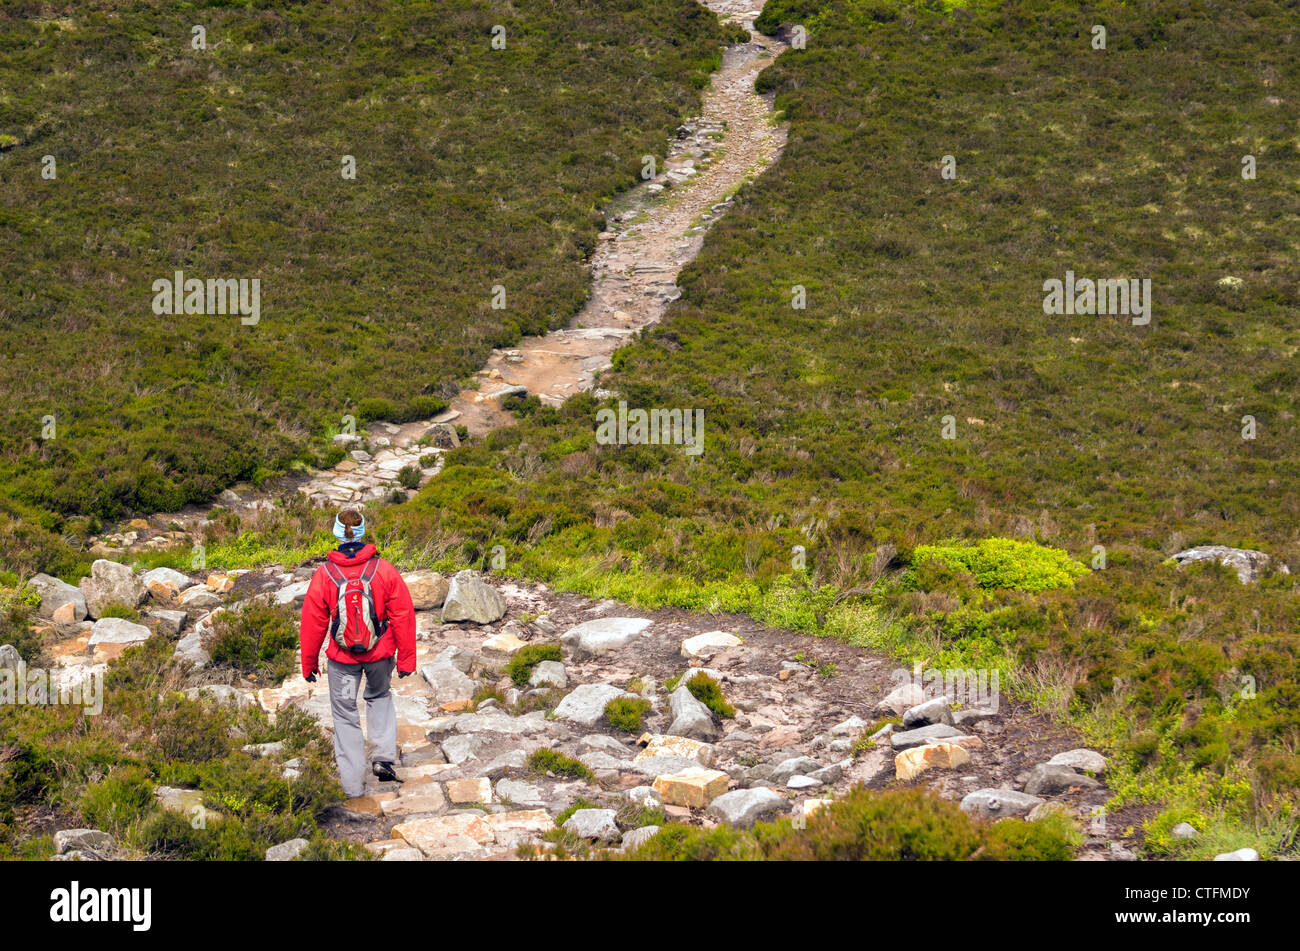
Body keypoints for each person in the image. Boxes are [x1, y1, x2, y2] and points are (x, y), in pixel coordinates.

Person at [299, 508, 416, 798]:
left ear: (337, 533)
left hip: (343, 661)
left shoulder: (324, 574)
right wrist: (406, 659)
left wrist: (309, 663)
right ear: (362, 532)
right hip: (379, 656)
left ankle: (352, 786)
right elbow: (403, 614)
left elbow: (313, 623)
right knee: (379, 697)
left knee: (345, 713)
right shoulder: (384, 569)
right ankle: (383, 758)